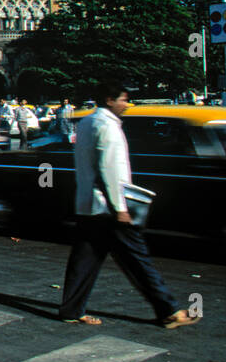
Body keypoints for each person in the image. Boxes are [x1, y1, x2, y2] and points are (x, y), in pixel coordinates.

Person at [58, 83, 199, 329]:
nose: (126, 104)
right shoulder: (108, 127)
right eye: (123, 99)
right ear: (109, 99)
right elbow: (109, 169)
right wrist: (120, 207)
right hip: (109, 208)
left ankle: (71, 310)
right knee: (138, 259)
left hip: (88, 205)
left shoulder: (88, 123)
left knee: (84, 260)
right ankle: (168, 311)